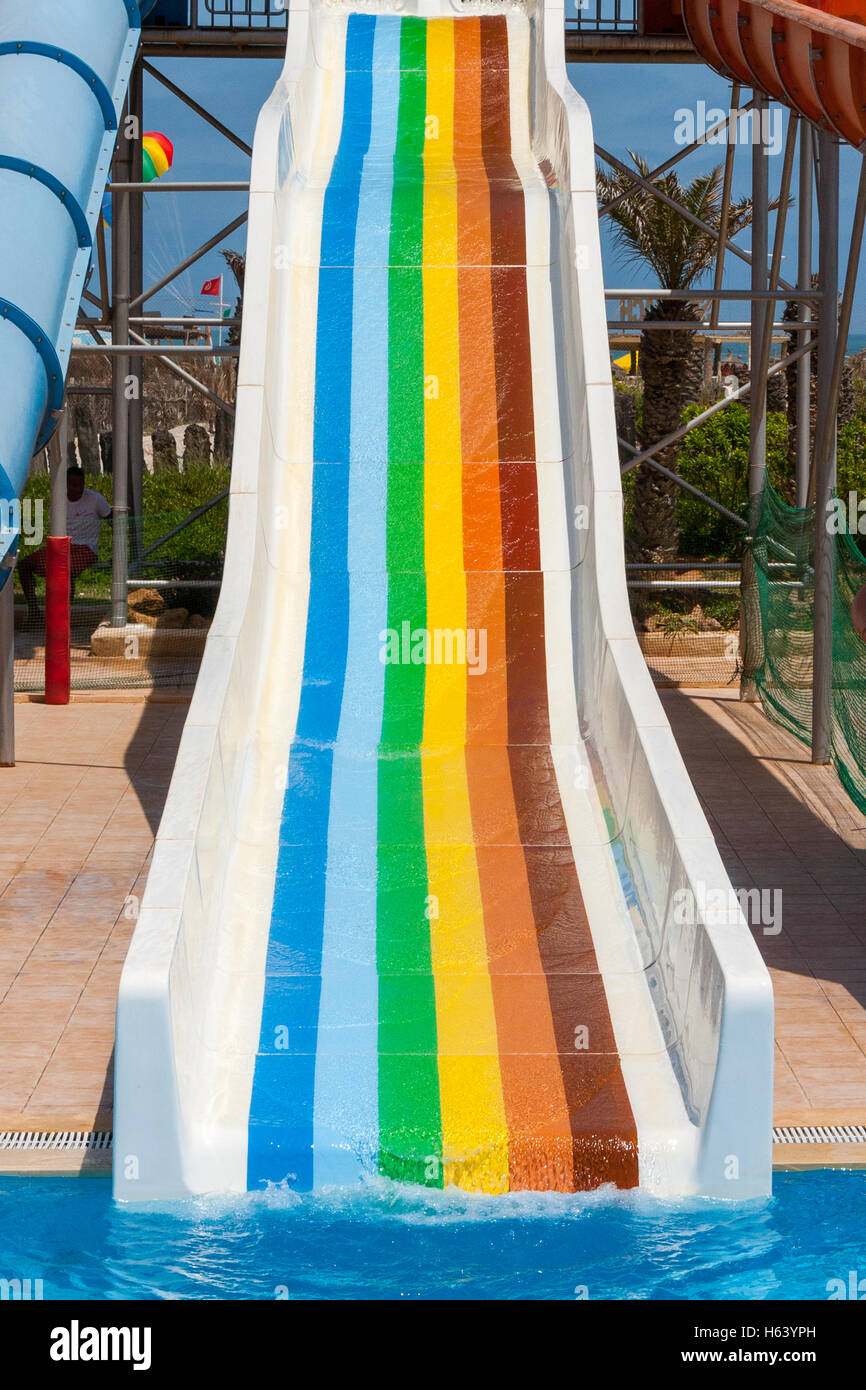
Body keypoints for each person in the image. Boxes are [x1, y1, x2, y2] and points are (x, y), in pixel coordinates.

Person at [18, 467, 112, 619]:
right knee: (24, 565)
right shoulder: (58, 500)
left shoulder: (96, 499)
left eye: (81, 484)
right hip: (61, 545)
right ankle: (34, 611)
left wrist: (116, 549)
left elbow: (114, 521)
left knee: (66, 570)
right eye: (74, 485)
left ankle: (63, 617)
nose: (78, 489)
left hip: (85, 548)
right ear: (66, 485)